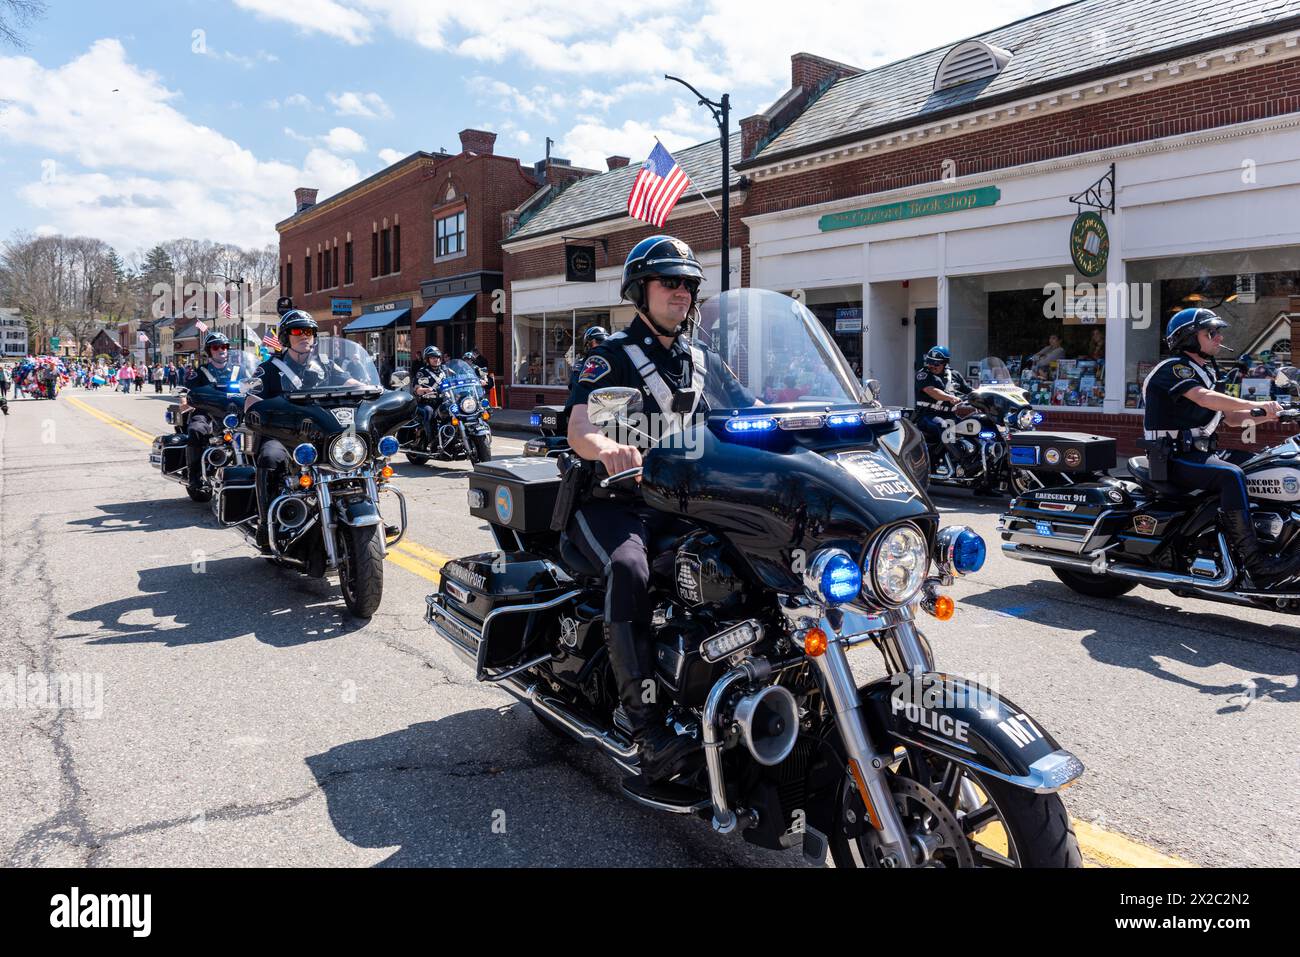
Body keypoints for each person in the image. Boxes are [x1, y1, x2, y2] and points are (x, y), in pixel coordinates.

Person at [563, 235, 752, 785]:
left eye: (689, 284)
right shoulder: (614, 358)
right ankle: (645, 723)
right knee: (631, 569)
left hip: (682, 503)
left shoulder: (701, 360)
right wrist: (608, 448)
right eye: (670, 281)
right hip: (615, 505)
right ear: (639, 291)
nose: (682, 292)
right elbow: (583, 427)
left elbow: (751, 411)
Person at [1142, 307, 1300, 582]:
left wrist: (1274, 413)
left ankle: (1269, 536)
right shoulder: (1173, 369)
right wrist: (1256, 403)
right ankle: (1257, 564)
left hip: (1200, 452)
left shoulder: (1204, 372)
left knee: (1263, 463)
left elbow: (1233, 418)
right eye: (1210, 332)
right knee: (1231, 476)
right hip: (1171, 457)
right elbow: (1204, 399)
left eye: (1217, 333)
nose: (1218, 338)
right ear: (1189, 338)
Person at [245, 310, 362, 549]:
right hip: (283, 434)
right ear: (286, 337)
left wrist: (373, 391)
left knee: (363, 457)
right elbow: (251, 400)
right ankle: (267, 525)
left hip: (323, 433)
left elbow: (353, 384)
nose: (304, 336)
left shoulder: (327, 365)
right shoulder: (268, 369)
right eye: (298, 331)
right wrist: (264, 408)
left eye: (308, 331)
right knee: (270, 457)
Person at [179, 333, 237, 494]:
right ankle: (194, 476)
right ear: (209, 351)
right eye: (216, 347)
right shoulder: (200, 372)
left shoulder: (239, 370)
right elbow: (187, 392)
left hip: (234, 414)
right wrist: (185, 401)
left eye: (224, 346)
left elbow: (255, 387)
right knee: (196, 430)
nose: (221, 350)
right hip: (206, 413)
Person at [913, 346, 971, 450]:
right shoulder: (923, 375)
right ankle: (959, 460)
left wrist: (983, 395)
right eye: (929, 362)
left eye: (936, 363)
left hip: (950, 414)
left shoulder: (954, 375)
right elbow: (932, 391)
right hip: (928, 415)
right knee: (945, 425)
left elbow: (969, 390)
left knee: (972, 426)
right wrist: (950, 398)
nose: (931, 366)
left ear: (945, 363)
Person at [412, 346, 447, 449]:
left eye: (438, 357)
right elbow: (417, 389)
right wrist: (426, 390)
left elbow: (456, 380)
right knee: (429, 412)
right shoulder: (422, 372)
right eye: (433, 357)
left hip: (442, 401)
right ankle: (432, 440)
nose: (436, 360)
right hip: (426, 402)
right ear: (427, 359)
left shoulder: (445, 371)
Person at [567, 326, 609, 392]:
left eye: (602, 342)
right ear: (587, 345)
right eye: (598, 342)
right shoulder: (580, 365)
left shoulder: (614, 362)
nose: (601, 346)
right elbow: (574, 388)